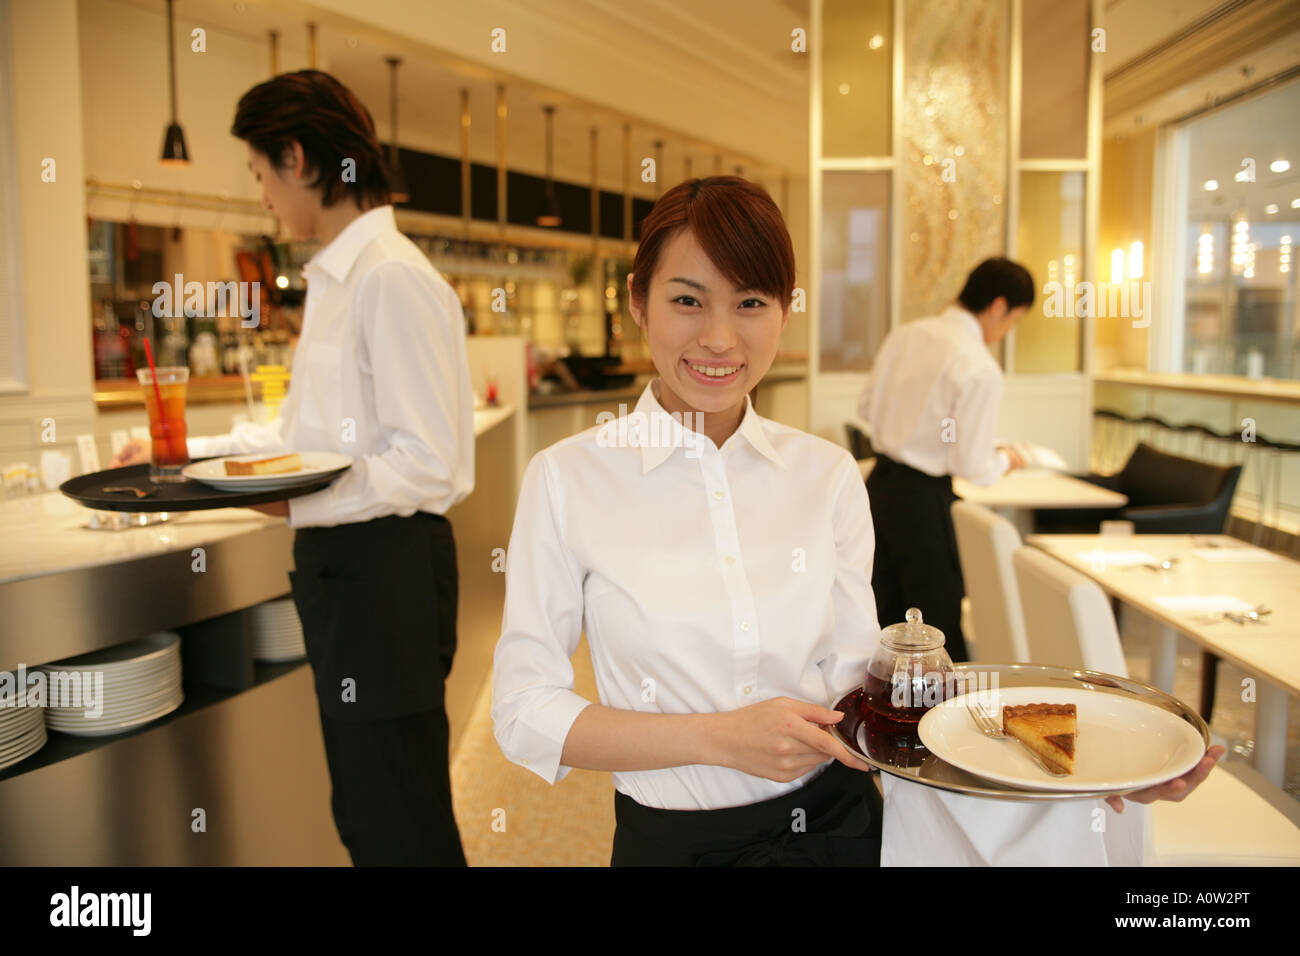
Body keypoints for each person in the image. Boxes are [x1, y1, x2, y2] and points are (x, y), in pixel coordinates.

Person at [491, 179, 1223, 867]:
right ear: (638, 302)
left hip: (838, 829)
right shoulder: (568, 480)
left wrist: (1078, 764)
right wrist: (713, 739)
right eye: (688, 300)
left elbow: (862, 691)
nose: (719, 338)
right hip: (673, 844)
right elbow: (524, 711)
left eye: (751, 303)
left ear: (783, 309)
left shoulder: (828, 475)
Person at [112, 71, 475, 866]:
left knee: (398, 821)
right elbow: (300, 436)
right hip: (350, 572)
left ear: (298, 156)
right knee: (370, 811)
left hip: (385, 575)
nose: (263, 196)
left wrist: (295, 505)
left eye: (259, 173)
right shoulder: (341, 280)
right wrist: (185, 455)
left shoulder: (389, 277)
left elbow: (430, 462)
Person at [857, 259, 1032, 662]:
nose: (1006, 332)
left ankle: (883, 713)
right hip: (923, 503)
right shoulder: (979, 366)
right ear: (1000, 306)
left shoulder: (905, 335)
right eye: (1014, 320)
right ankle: (934, 721)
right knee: (933, 627)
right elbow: (972, 465)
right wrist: (1005, 460)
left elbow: (866, 407)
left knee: (879, 615)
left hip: (877, 490)